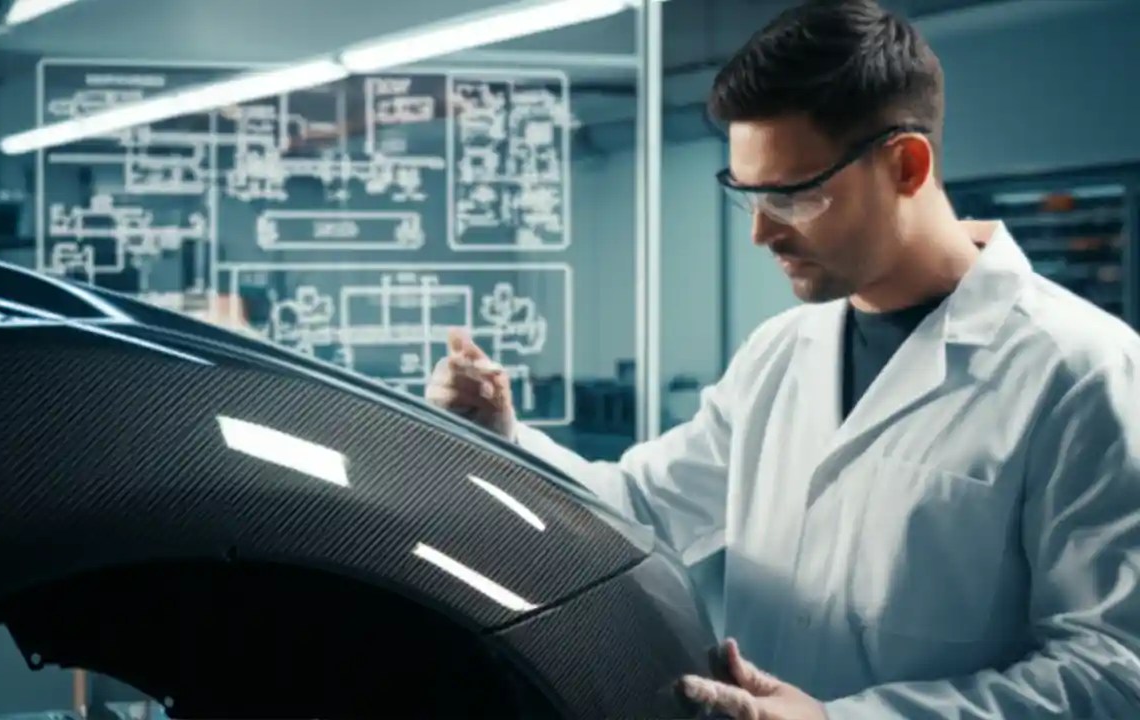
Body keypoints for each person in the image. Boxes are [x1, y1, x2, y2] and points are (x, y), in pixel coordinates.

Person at [426, 0, 1140, 717]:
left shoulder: (1081, 370)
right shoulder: (779, 352)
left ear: (906, 165)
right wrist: (502, 440)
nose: (762, 233)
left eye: (795, 196)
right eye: (750, 196)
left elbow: (1113, 670)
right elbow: (643, 511)